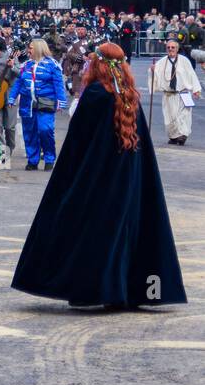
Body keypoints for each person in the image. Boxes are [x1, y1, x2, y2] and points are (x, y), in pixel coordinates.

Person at [12, 43, 187, 309]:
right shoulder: (130, 96)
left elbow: (77, 144)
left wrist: (66, 182)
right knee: (126, 232)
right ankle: (128, 292)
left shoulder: (95, 94)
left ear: (97, 65)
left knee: (96, 232)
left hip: (98, 179)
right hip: (129, 181)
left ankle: (98, 291)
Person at [8, 39, 67, 170]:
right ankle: (32, 160)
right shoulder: (26, 65)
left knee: (45, 130)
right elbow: (18, 82)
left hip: (46, 103)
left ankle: (49, 158)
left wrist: (61, 102)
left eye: (31, 48)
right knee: (29, 132)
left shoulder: (53, 65)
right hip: (27, 104)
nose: (28, 50)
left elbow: (58, 84)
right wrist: (12, 98)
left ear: (39, 48)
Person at [149, 36, 202, 146]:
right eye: (168, 47)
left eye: (173, 47)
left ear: (177, 49)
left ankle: (183, 135)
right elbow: (154, 74)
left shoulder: (184, 61)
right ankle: (173, 136)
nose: (171, 49)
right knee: (170, 118)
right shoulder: (161, 62)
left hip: (183, 93)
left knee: (184, 116)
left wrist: (196, 89)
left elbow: (192, 74)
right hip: (169, 95)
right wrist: (152, 70)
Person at [0, 36, 18, 169]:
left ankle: (10, 148)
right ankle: (2, 154)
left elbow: (19, 72)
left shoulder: (11, 56)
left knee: (10, 126)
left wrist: (12, 67)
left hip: (10, 93)